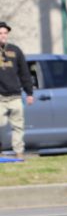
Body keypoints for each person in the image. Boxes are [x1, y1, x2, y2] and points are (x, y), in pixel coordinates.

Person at [0, 21, 35, 162]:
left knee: (18, 126)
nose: (3, 36)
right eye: (0, 33)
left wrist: (30, 93)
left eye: (5, 33)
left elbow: (24, 73)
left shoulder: (15, 51)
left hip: (15, 96)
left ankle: (19, 153)